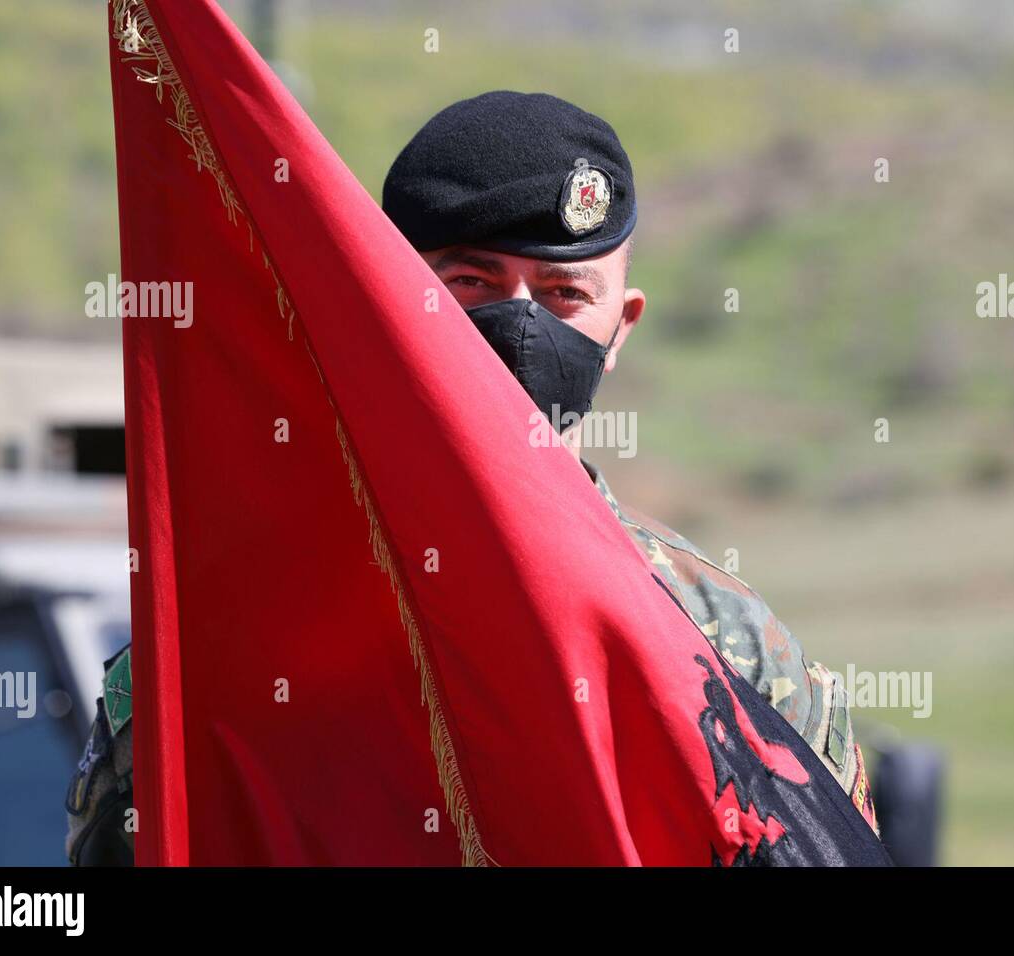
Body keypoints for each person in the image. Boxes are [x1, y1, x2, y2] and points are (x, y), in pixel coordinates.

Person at [65, 90, 877, 865]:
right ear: (380, 299)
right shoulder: (234, 639)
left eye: (563, 293)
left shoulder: (726, 641)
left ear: (620, 326)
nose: (521, 325)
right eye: (470, 284)